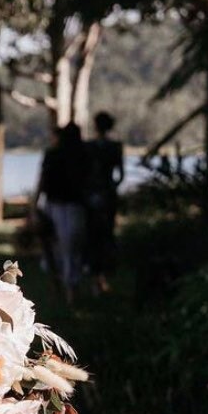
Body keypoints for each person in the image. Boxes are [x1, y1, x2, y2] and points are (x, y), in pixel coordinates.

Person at [37, 121, 89, 302]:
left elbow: (42, 182)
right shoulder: (82, 156)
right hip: (72, 206)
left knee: (58, 248)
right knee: (70, 248)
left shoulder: (54, 155)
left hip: (58, 205)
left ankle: (63, 287)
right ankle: (69, 289)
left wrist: (35, 204)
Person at [85, 110, 124, 292]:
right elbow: (120, 175)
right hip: (108, 195)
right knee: (106, 235)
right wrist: (112, 187)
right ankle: (103, 276)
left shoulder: (89, 146)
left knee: (94, 237)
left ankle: (97, 276)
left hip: (94, 195)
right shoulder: (115, 146)